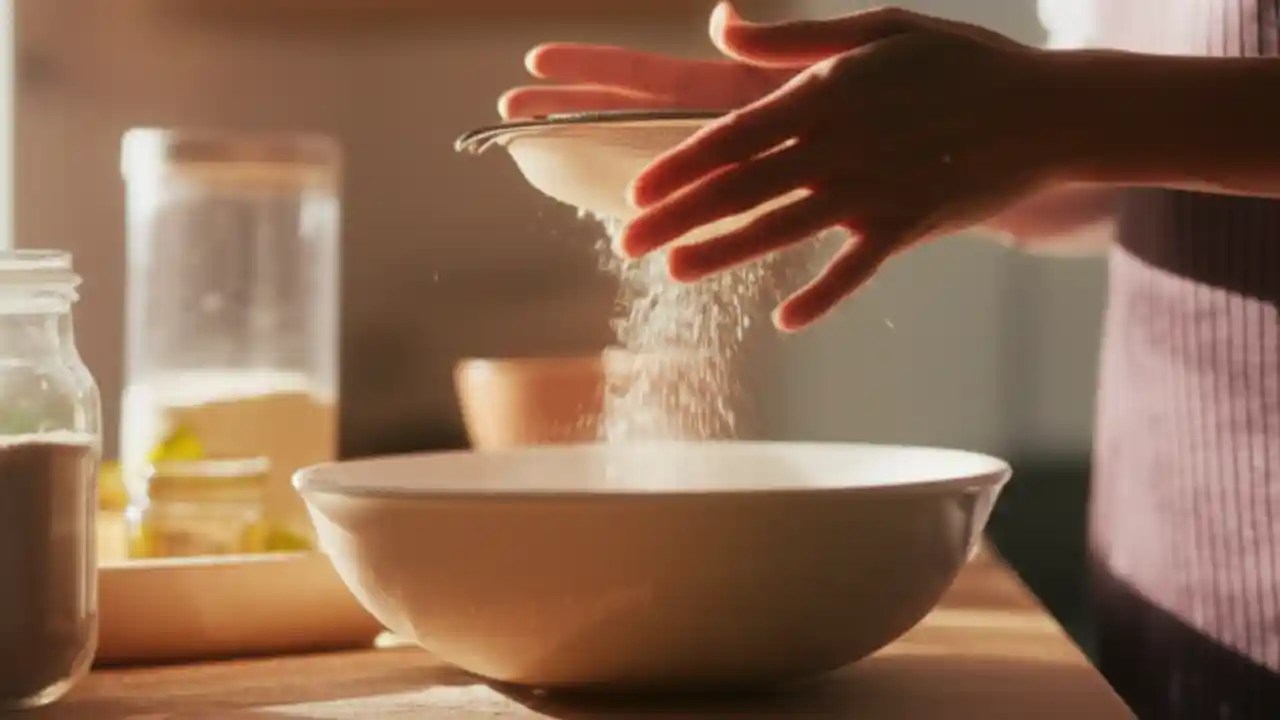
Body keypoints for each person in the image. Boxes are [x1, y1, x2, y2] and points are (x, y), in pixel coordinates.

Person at [499, 2, 1279, 717]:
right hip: (1175, 534)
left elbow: (1079, 119)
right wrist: (878, 138)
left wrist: (1049, 112)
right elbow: (1113, 167)